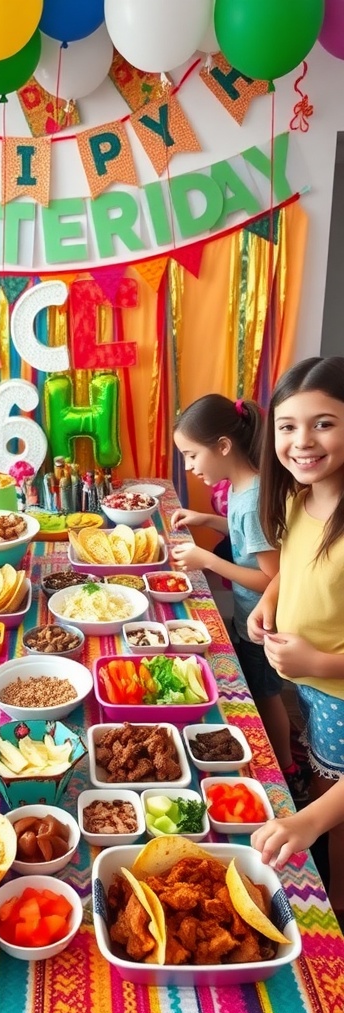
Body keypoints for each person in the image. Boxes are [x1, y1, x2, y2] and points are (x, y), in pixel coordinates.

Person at [169, 393, 306, 802]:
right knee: (257, 689)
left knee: (265, 695)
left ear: (223, 446)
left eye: (193, 456)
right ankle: (285, 760)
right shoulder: (246, 488)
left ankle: (286, 767)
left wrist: (207, 560)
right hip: (250, 616)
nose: (191, 468)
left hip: (263, 623)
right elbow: (249, 542)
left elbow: (272, 577)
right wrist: (208, 520)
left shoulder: (249, 501)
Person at [247, 355, 344, 923]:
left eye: (324, 423)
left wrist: (320, 662)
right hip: (310, 691)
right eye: (288, 425)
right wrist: (268, 599)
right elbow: (292, 567)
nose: (302, 441)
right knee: (323, 785)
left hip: (335, 695)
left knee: (332, 821)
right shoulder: (297, 498)